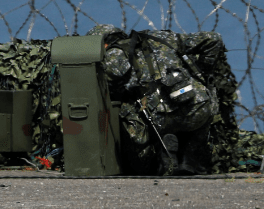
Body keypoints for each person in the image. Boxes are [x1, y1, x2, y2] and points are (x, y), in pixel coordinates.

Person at [89, 24, 222, 175]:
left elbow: (103, 91)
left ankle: (160, 156)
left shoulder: (114, 57)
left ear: (103, 43)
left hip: (159, 121)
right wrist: (202, 71)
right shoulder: (163, 37)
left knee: (127, 107)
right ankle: (191, 160)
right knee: (204, 98)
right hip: (196, 109)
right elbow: (213, 39)